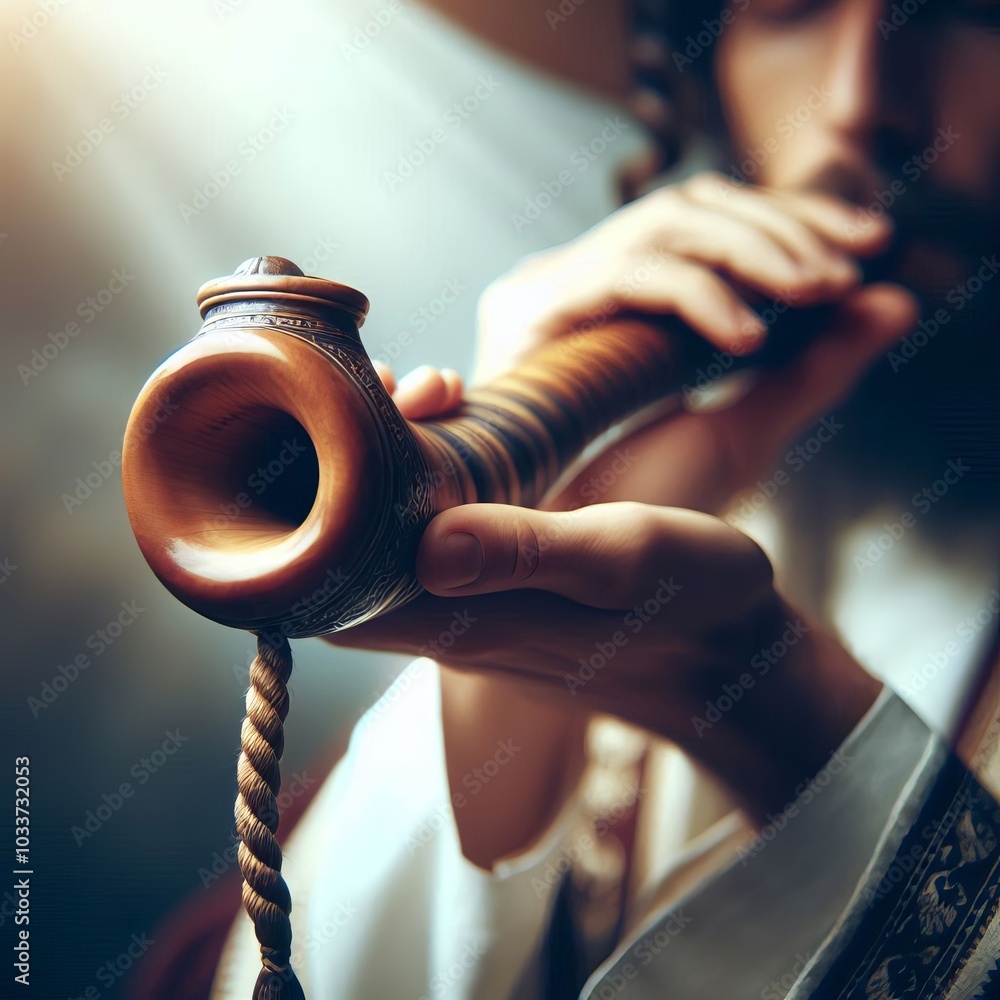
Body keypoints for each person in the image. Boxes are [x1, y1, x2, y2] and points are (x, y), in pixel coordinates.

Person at [162, 0, 1000, 996]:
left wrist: (777, 712)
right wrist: (499, 688)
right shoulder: (682, 475)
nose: (861, 102)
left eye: (966, 12)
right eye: (787, 8)